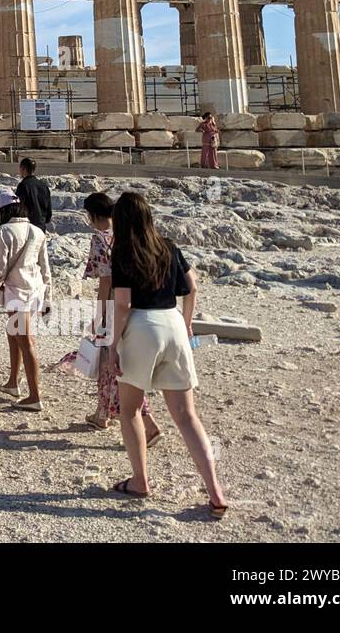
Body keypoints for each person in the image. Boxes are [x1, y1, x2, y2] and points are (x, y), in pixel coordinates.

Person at [107, 192, 228, 518]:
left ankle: (140, 480)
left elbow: (122, 304)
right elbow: (192, 287)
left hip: (141, 326)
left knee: (130, 409)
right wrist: (186, 324)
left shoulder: (122, 251)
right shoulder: (169, 246)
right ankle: (215, 490)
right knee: (187, 416)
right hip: (172, 322)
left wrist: (111, 344)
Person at [82, 192, 161, 442]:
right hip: (139, 306)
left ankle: (148, 422)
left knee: (114, 364)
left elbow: (105, 282)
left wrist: (100, 315)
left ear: (94, 215)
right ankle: (101, 413)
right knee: (117, 364)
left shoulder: (100, 240)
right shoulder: (127, 235)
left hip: (116, 305)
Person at [0, 191, 50, 411]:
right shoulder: (38, 231)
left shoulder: (4, 231)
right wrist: (48, 298)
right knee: (14, 334)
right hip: (34, 289)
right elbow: (46, 269)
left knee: (26, 341)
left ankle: (34, 396)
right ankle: (13, 383)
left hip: (16, 292)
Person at [15, 157, 52, 232]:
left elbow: (18, 208)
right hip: (41, 227)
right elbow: (48, 211)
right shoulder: (44, 186)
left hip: (27, 228)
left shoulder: (23, 185)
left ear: (24, 169)